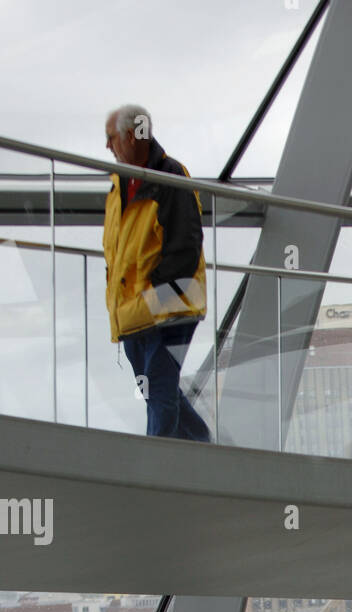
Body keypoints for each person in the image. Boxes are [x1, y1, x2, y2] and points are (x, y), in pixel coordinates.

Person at [102, 104, 210, 441]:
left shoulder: (169, 177)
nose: (107, 146)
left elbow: (185, 245)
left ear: (132, 137)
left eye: (111, 138)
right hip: (134, 312)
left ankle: (154, 469)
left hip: (166, 305)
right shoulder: (119, 186)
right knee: (157, 390)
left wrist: (156, 295)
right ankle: (205, 447)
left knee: (159, 388)